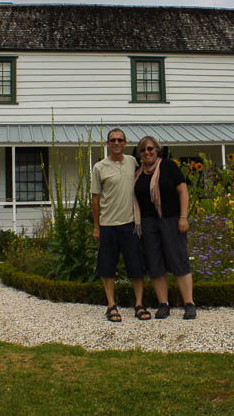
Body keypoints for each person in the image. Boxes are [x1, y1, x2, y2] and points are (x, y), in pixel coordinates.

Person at [133, 135, 196, 320]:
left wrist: (183, 217)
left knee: (178, 260)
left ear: (157, 150)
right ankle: (163, 304)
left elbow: (183, 191)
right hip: (148, 223)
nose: (147, 152)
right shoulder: (138, 172)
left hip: (171, 219)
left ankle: (189, 303)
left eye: (150, 148)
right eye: (143, 150)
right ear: (139, 153)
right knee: (155, 264)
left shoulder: (169, 166)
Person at [91, 128, 151, 322]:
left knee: (136, 266)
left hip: (130, 224)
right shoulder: (99, 167)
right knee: (107, 266)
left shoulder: (132, 162)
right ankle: (111, 305)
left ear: (125, 143)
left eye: (120, 140)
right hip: (108, 225)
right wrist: (97, 226)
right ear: (107, 144)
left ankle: (139, 304)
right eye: (112, 140)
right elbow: (95, 199)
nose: (116, 143)